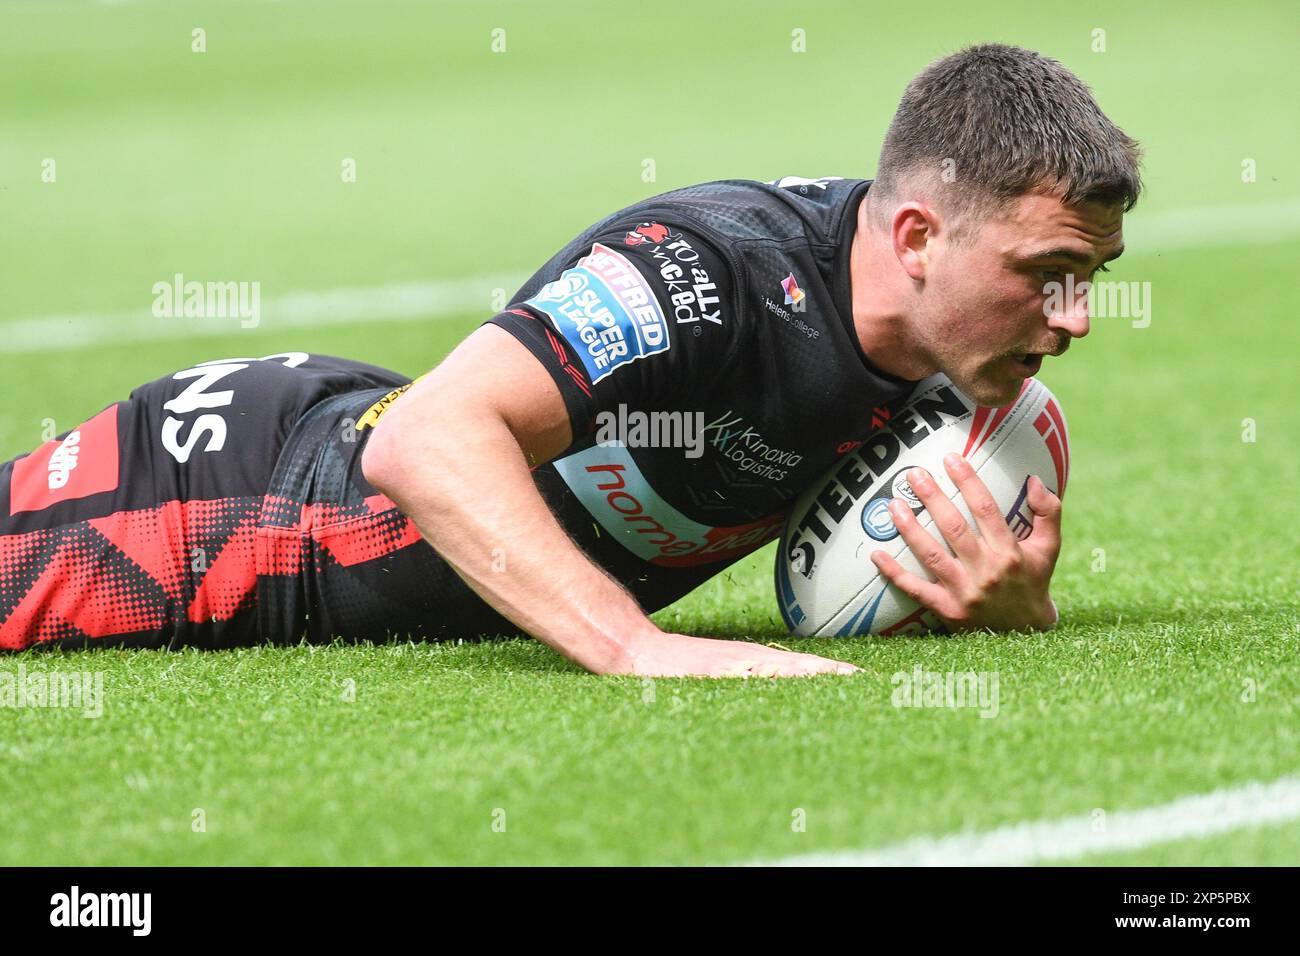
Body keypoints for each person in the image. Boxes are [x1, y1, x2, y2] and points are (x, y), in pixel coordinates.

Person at [0, 44, 1139, 677]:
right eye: (1046, 272)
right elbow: (424, 440)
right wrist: (630, 645)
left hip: (326, 431)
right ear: (916, 238)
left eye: (1091, 275)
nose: (1075, 316)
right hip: (228, 505)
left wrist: (1006, 606)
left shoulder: (967, 375)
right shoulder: (700, 276)